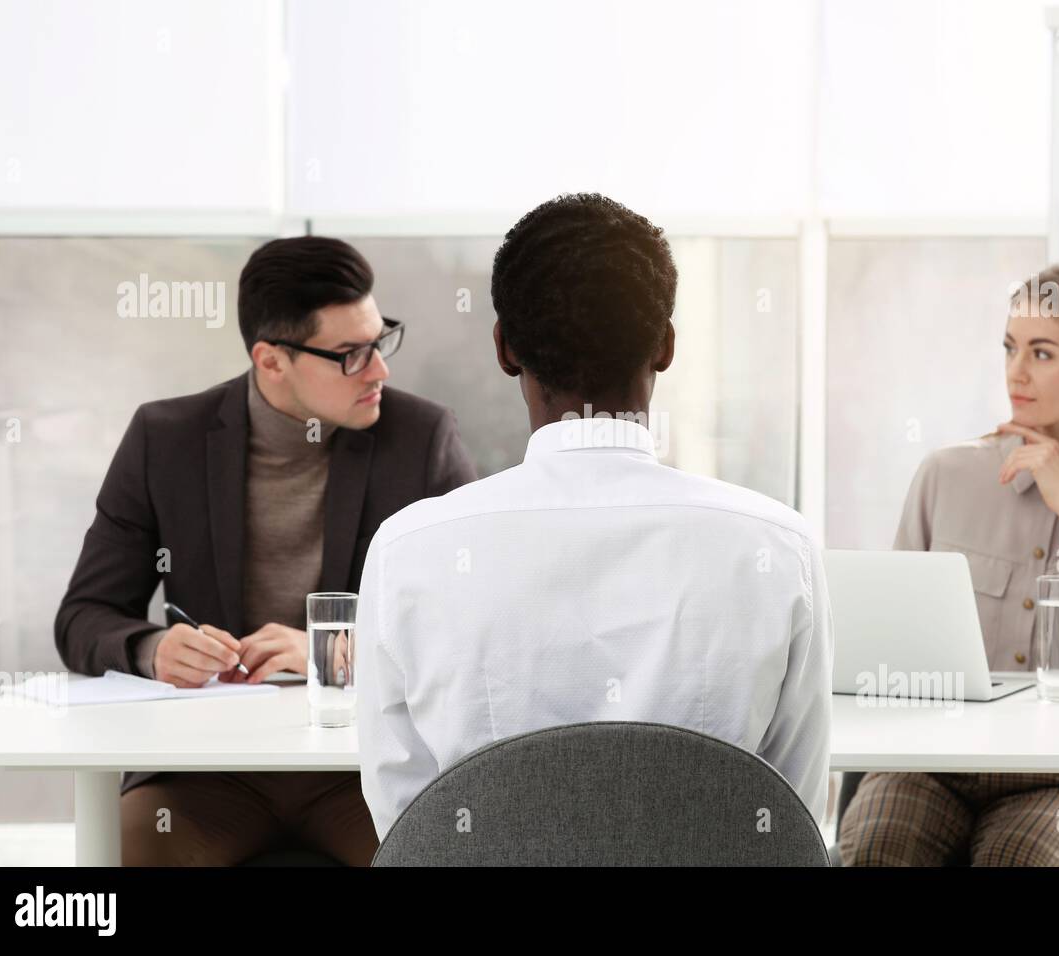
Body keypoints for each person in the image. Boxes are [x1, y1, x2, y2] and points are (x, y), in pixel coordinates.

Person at [356, 193, 833, 841]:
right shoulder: (778, 546)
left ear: (505, 349)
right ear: (665, 347)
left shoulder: (409, 548)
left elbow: (410, 822)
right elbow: (790, 813)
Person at [54, 236, 477, 865]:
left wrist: (329, 651)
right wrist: (152, 649)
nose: (379, 369)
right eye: (350, 354)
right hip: (202, 776)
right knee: (134, 853)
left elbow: (472, 620)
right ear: (271, 360)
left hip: (362, 769)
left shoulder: (420, 439)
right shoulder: (164, 440)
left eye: (379, 338)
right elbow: (82, 617)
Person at [837, 262, 1059, 867]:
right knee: (876, 851)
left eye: (1042, 353)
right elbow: (886, 647)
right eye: (1009, 348)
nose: (1016, 372)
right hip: (932, 768)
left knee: (1017, 861)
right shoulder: (947, 475)